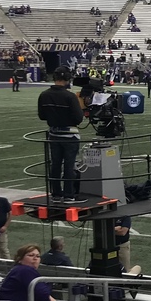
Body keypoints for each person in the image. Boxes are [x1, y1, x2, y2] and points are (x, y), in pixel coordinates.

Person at [37, 67, 85, 202]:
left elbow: (42, 116)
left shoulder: (44, 95)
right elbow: (78, 118)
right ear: (67, 79)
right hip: (69, 135)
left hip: (53, 134)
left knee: (55, 165)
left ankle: (56, 194)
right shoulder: (69, 96)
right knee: (69, 166)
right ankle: (69, 194)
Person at [0, 244, 69, 301]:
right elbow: (42, 294)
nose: (35, 258)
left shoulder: (16, 270)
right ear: (20, 259)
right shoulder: (26, 271)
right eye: (31, 255)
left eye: (38, 256)